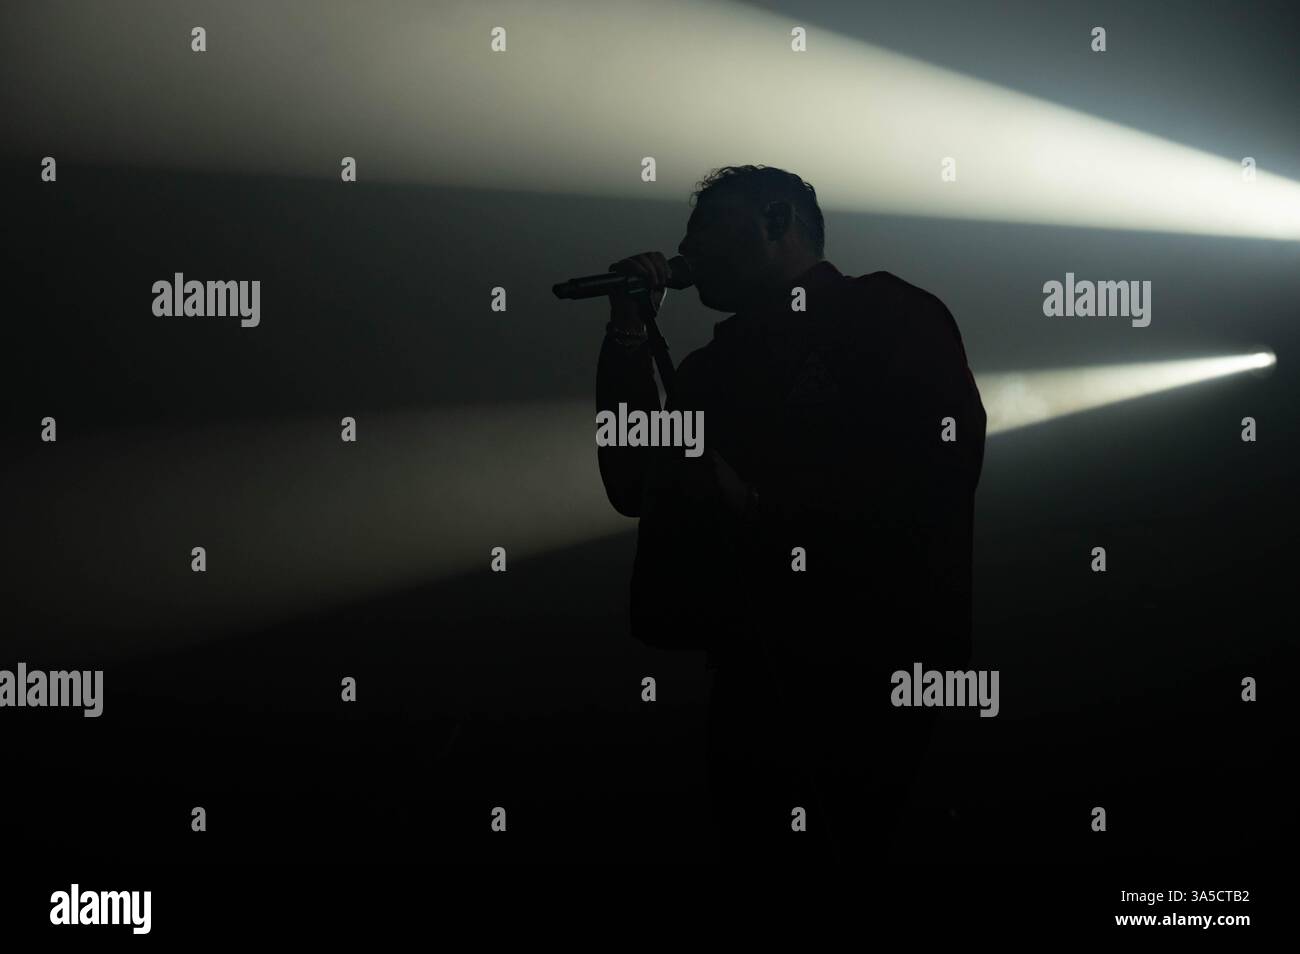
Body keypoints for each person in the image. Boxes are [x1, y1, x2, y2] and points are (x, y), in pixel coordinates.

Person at [596, 165, 986, 861]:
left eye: (707, 226)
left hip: (874, 675)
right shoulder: (712, 368)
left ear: (778, 222)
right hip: (754, 679)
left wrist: (755, 508)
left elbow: (932, 478)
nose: (689, 249)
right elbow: (633, 482)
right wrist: (627, 343)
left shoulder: (885, 314)